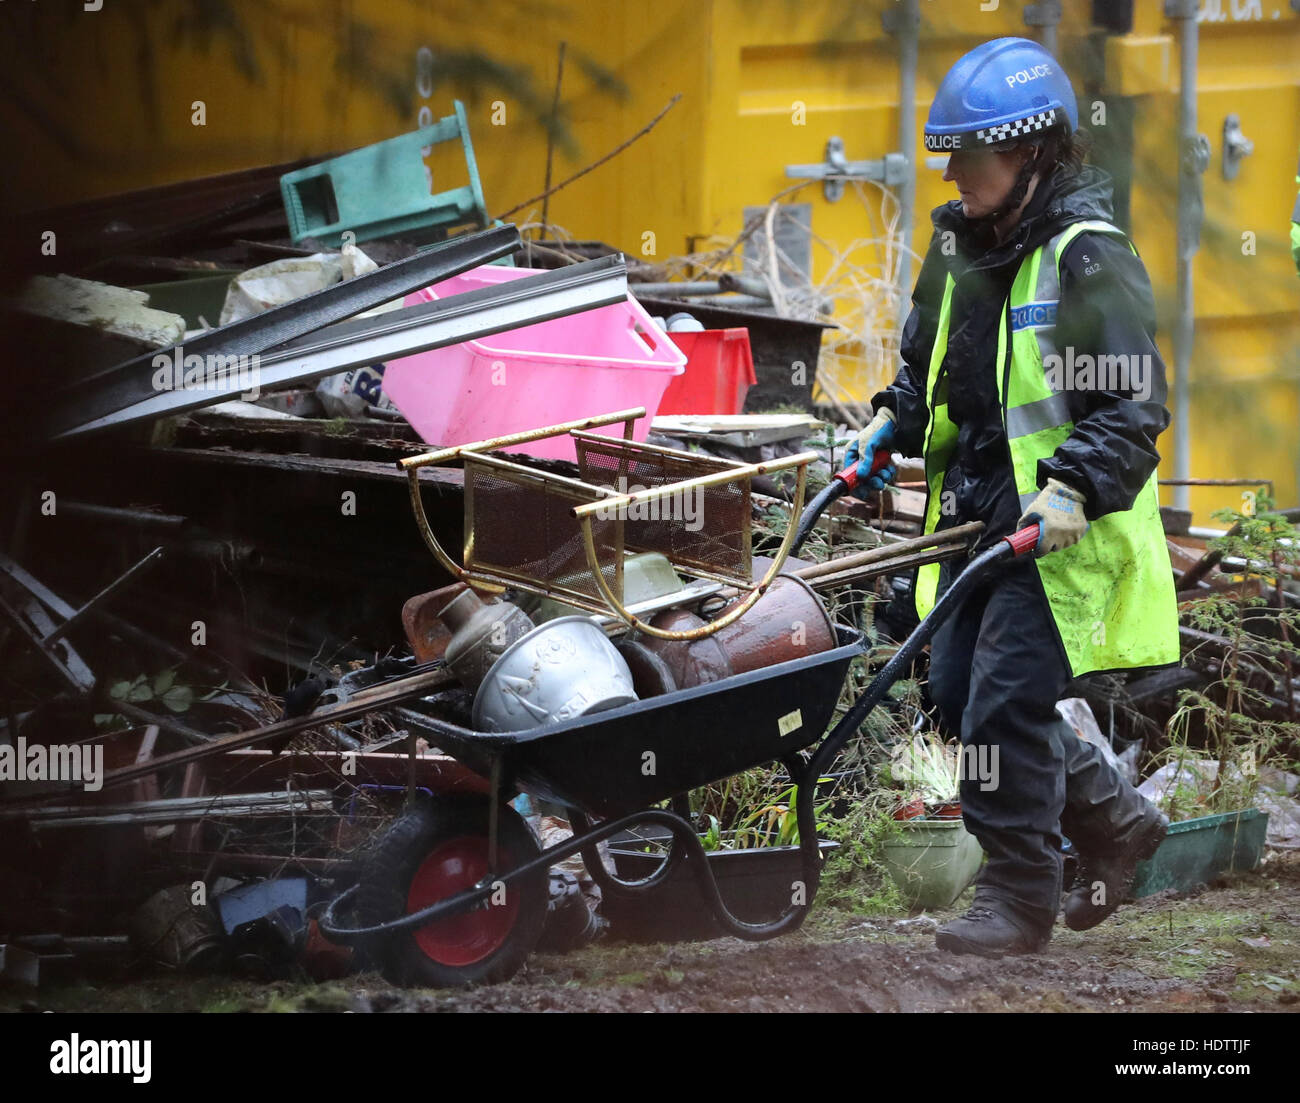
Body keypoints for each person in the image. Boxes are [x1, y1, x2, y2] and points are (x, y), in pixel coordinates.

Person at [847, 37, 1178, 956]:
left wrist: (1071, 486)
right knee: (956, 697)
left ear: (1032, 151)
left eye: (972, 154)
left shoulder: (1085, 258)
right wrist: (890, 424)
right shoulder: (958, 245)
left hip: (1061, 525)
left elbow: (1131, 402)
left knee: (1001, 705)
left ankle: (1019, 897)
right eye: (948, 155)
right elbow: (931, 373)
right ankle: (1116, 820)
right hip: (977, 509)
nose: (953, 175)